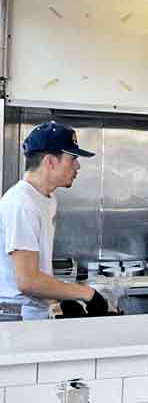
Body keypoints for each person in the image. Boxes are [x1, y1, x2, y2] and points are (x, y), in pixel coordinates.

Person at [0, 122, 110, 319]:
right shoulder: (22, 203)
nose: (77, 166)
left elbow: (39, 271)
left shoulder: (47, 199)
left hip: (36, 311)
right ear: (50, 161)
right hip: (15, 318)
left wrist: (60, 298)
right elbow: (28, 281)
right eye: (72, 158)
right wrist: (87, 294)